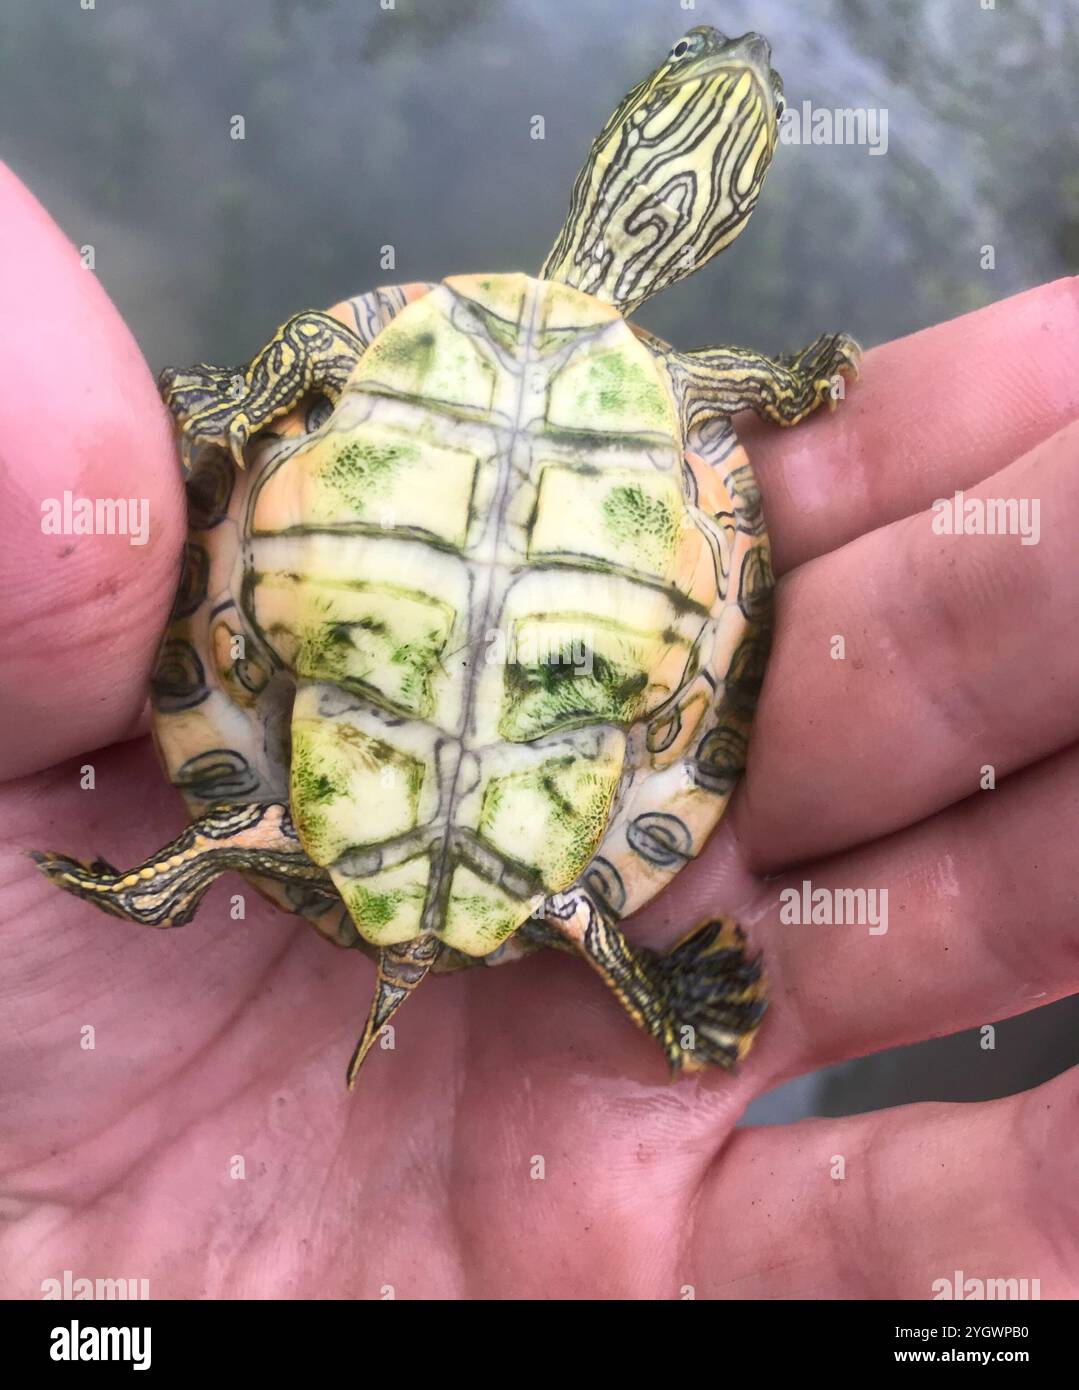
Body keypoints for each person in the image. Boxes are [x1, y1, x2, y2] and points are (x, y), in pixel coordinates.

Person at [1, 163, 1076, 1299]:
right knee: (572, 896)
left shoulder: (437, 350)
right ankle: (635, 979)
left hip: (329, 784)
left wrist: (224, 412)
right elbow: (748, 431)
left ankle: (229, 865)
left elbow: (301, 378)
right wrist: (798, 384)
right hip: (507, 848)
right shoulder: (685, 395)